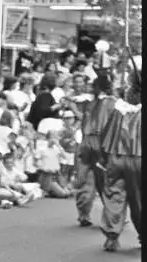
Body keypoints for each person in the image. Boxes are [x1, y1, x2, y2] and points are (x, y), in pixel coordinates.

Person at [98, 70, 141, 252]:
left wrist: (103, 157)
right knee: (140, 199)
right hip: (139, 159)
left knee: (113, 195)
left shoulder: (119, 110)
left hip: (116, 157)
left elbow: (106, 135)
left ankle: (111, 235)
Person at [75, 73, 117, 227]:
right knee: (85, 179)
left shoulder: (112, 103)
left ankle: (113, 216)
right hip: (88, 142)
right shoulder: (89, 101)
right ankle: (84, 213)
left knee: (105, 182)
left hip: (103, 145)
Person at [34, 132, 71, 198]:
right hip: (47, 175)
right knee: (63, 194)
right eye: (52, 138)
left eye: (55, 138)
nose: (54, 140)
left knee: (68, 193)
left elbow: (66, 157)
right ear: (48, 139)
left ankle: (49, 191)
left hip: (57, 175)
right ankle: (47, 189)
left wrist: (58, 145)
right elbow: (36, 160)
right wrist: (41, 166)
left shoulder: (57, 149)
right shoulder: (42, 148)